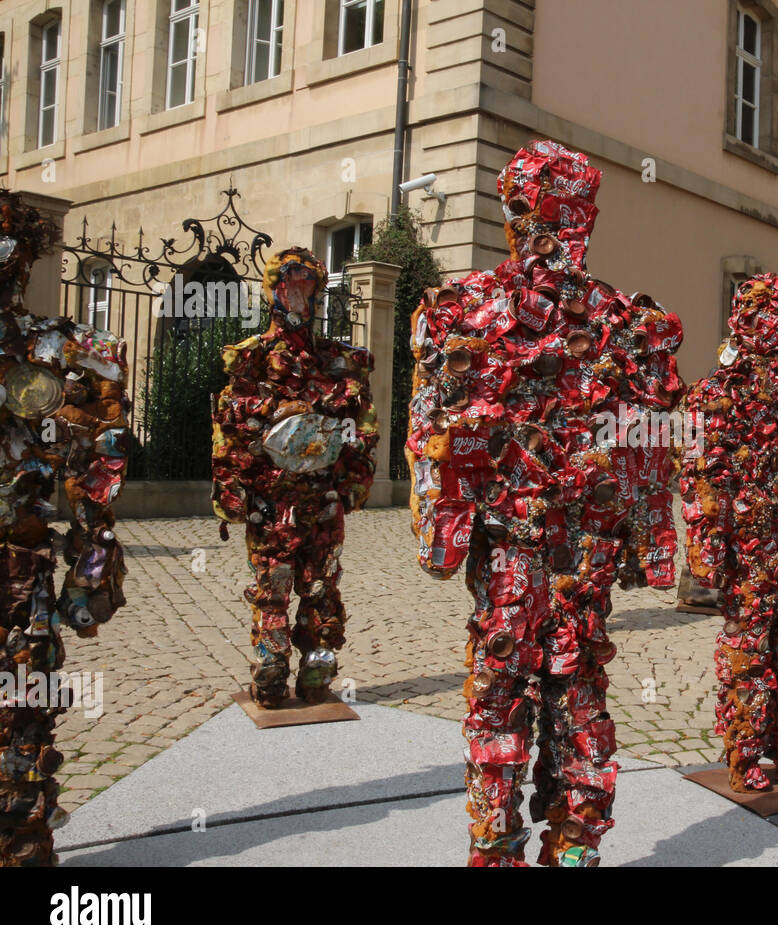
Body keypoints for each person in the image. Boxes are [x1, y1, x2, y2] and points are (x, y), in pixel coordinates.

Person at [406, 140, 683, 866]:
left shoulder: (624, 326)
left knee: (558, 692)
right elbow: (432, 433)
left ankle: (548, 849)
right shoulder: (466, 313)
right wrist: (443, 528)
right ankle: (530, 848)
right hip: (518, 547)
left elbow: (653, 446)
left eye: (565, 207)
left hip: (571, 551)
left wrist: (654, 544)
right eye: (547, 206)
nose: (556, 225)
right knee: (538, 691)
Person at [0, 192, 130, 866]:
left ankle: (23, 834)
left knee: (25, 704)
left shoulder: (56, 352)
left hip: (22, 565)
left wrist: (91, 547)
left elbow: (103, 440)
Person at [680, 274, 778, 791]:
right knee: (748, 651)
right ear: (739, 321)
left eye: (777, 317)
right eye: (757, 316)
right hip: (749, 552)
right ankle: (746, 750)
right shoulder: (714, 394)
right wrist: (707, 546)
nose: (768, 328)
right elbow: (701, 472)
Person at [211, 248, 378, 707]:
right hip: (272, 494)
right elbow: (228, 427)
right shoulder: (251, 359)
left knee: (321, 581)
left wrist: (356, 479)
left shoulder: (339, 361)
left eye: (309, 285)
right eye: (291, 285)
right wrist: (232, 490)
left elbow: (363, 423)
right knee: (274, 582)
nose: (300, 294)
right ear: (274, 290)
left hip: (321, 493)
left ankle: (316, 667)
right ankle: (271, 665)